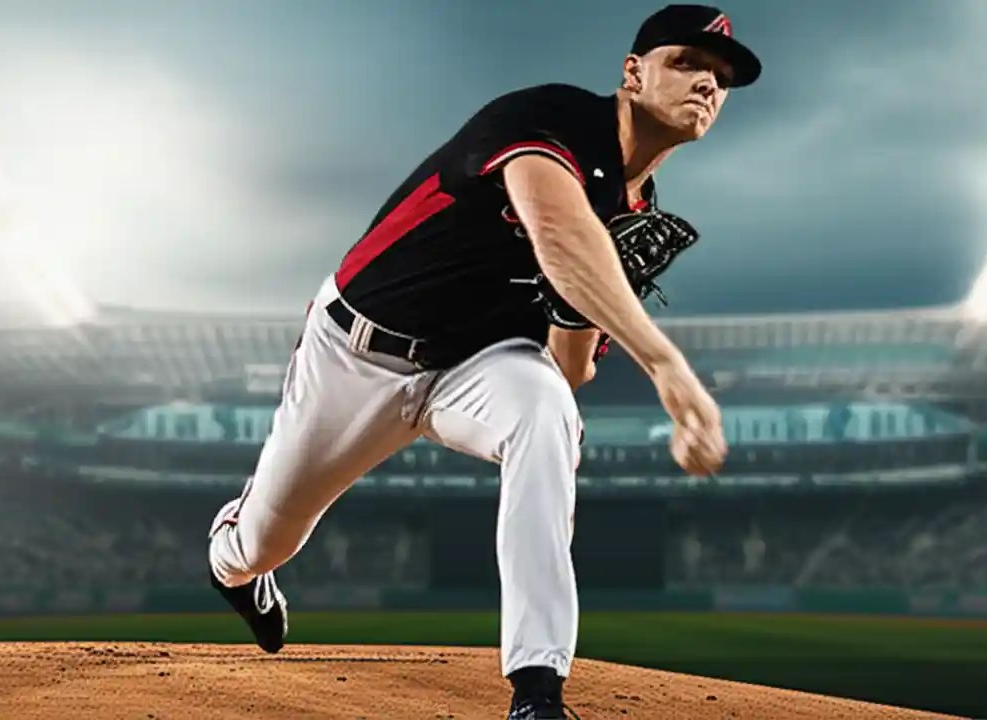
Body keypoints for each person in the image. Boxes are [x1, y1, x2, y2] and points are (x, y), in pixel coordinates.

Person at [206, 5, 760, 718]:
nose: (708, 84)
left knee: (545, 413)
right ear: (632, 73)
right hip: (359, 353)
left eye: (721, 78)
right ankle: (234, 562)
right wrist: (669, 367)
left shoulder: (638, 209)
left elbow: (568, 371)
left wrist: (573, 311)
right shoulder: (551, 117)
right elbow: (558, 227)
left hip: (478, 366)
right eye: (687, 62)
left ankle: (538, 686)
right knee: (264, 541)